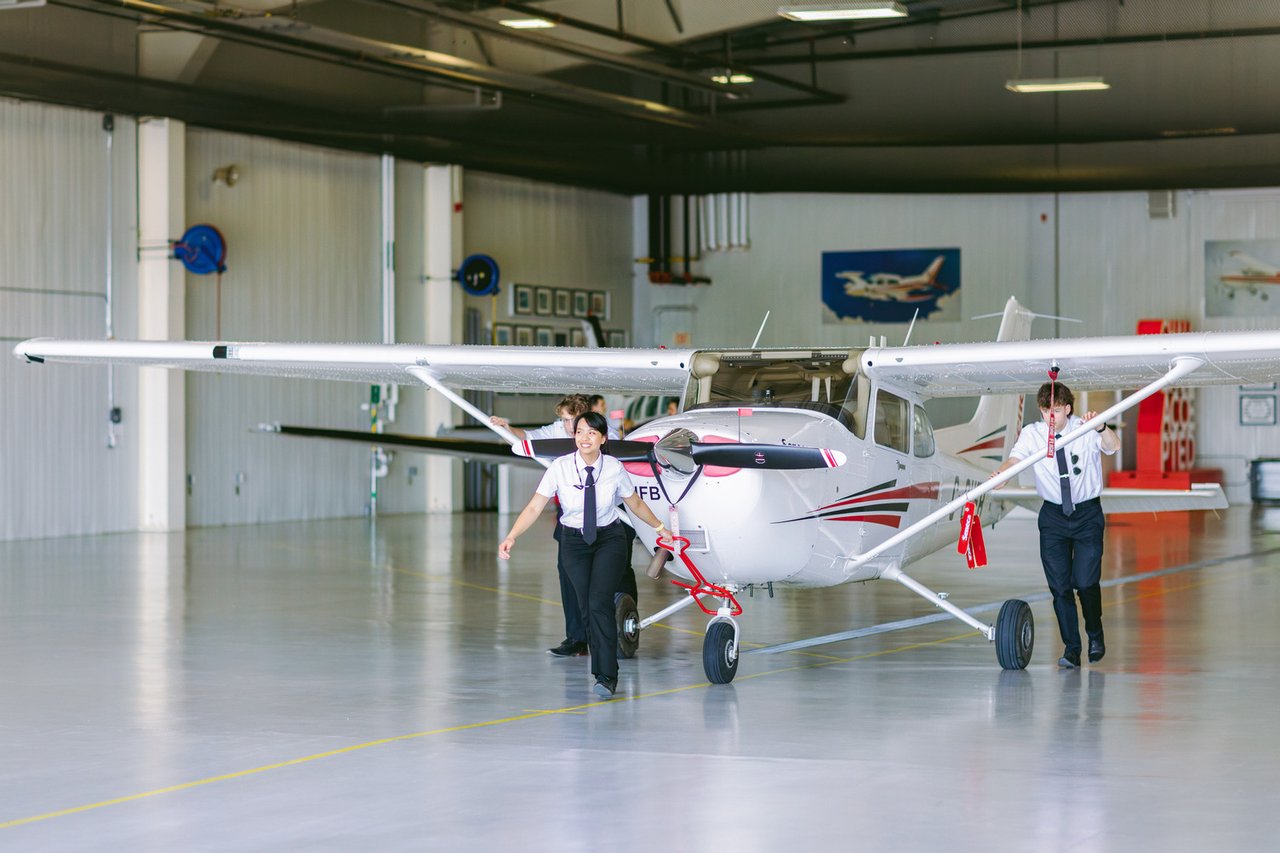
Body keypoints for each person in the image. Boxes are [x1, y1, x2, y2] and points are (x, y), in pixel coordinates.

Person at [499, 411, 670, 697]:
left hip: (609, 539)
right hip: (573, 542)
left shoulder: (614, 468)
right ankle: (602, 664)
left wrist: (659, 527)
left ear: (603, 438)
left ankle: (605, 676)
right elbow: (534, 507)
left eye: (592, 432)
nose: (584, 438)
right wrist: (511, 536)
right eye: (579, 432)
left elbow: (635, 502)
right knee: (586, 605)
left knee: (598, 601)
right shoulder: (560, 468)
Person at [491, 395, 638, 659]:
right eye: (565, 420)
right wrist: (506, 428)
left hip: (612, 513)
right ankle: (578, 638)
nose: (569, 427)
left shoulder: (606, 435)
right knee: (569, 574)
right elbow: (528, 437)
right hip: (573, 515)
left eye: (574, 421)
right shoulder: (558, 431)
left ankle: (625, 629)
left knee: (619, 570)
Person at [992, 381, 1120, 669]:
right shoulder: (1033, 434)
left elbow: (1114, 446)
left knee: (1085, 582)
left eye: (1057, 411)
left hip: (1087, 515)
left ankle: (1095, 634)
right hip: (1053, 517)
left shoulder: (1085, 428)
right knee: (1059, 587)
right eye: (1046, 411)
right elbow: (1015, 459)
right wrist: (1000, 474)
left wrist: (1101, 428)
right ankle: (1072, 648)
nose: (1051, 417)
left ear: (1068, 409)